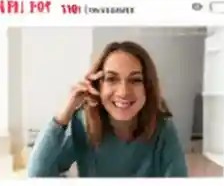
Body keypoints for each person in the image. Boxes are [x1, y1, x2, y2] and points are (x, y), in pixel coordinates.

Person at [27, 41, 189, 178]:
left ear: (147, 87)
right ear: (98, 85)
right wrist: (64, 114)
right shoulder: (83, 123)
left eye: (135, 80)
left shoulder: (163, 128)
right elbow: (37, 176)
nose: (124, 92)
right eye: (112, 79)